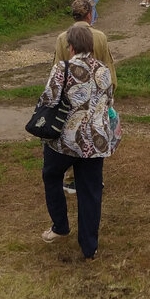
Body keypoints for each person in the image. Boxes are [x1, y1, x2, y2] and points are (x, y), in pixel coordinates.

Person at [38, 23, 115, 261]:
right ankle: (89, 247)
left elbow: (48, 97)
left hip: (66, 140)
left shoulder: (63, 67)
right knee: (90, 191)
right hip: (96, 141)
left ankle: (60, 225)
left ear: (70, 46)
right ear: (91, 46)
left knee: (52, 176)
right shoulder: (103, 70)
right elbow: (109, 101)